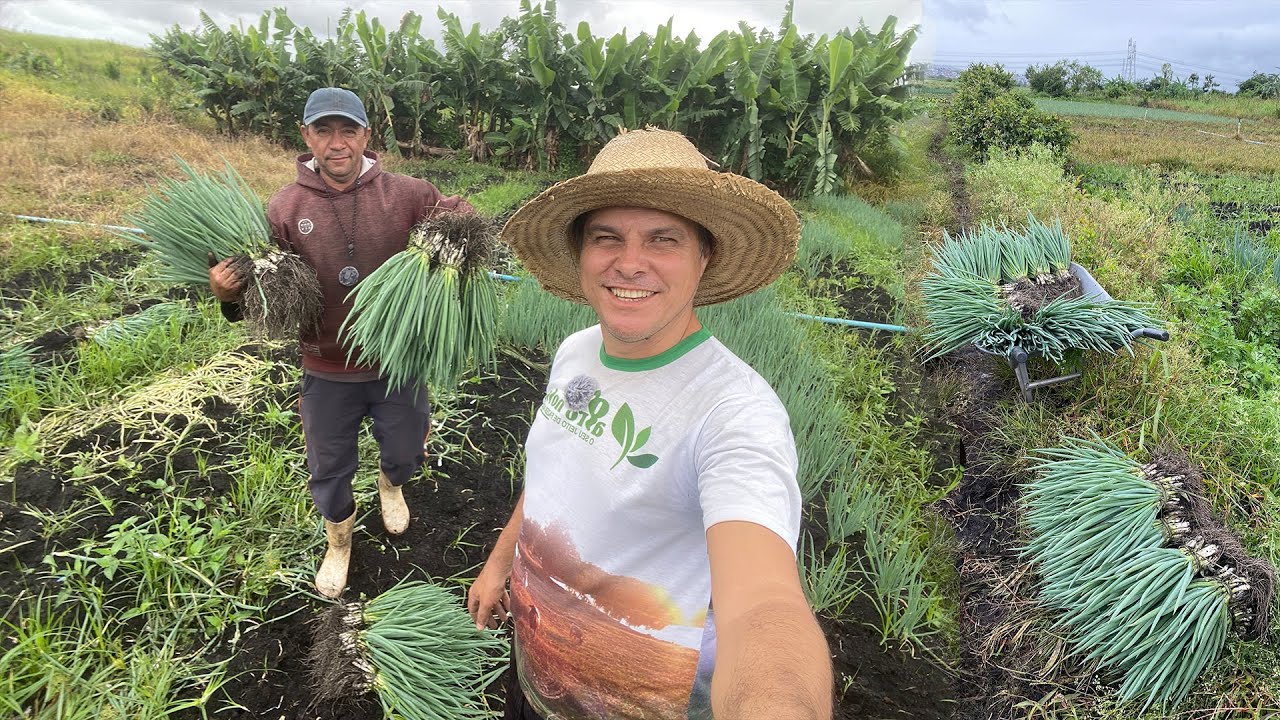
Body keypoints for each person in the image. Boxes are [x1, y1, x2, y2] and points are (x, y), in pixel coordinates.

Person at [469, 128, 832, 720]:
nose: (629, 263)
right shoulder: (576, 353)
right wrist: (500, 562)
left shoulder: (734, 412)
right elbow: (555, 474)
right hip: (537, 681)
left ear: (704, 256)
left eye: (662, 240)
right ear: (581, 254)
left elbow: (762, 604)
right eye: (606, 237)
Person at [209, 87, 473, 599]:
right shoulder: (284, 208)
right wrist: (228, 295)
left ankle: (390, 486)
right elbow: (263, 294)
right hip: (326, 366)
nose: (337, 143)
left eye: (348, 130)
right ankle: (339, 541)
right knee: (328, 471)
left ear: (366, 137)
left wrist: (460, 239)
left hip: (398, 362)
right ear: (306, 136)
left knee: (403, 450)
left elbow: (459, 216)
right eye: (324, 130)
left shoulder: (409, 194)